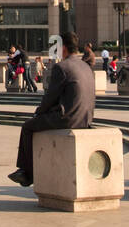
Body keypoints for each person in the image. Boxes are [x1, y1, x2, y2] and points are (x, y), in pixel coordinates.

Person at [8, 32, 95, 186]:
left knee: (28, 127)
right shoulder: (86, 66)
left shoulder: (62, 67)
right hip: (86, 118)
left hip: (68, 118)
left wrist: (39, 112)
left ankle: (27, 173)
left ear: (64, 48)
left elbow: (50, 98)